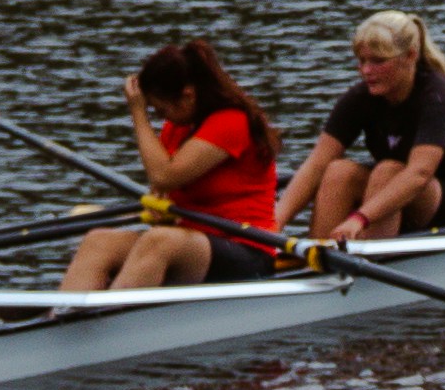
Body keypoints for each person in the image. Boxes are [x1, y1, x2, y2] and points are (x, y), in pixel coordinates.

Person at [61, 38, 284, 289]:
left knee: (160, 241)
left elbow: (164, 176)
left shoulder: (232, 123)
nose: (160, 117)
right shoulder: (177, 128)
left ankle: (109, 319)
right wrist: (160, 209)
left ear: (187, 96)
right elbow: (161, 189)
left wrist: (138, 113)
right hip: (192, 243)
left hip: (247, 249)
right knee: (98, 240)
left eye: (161, 110)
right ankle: (61, 319)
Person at [276, 10, 445, 245]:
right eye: (362, 61)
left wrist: (360, 218)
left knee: (388, 171)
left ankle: (372, 259)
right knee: (339, 172)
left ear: (410, 56)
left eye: (378, 61)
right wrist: (275, 221)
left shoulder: (441, 98)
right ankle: (320, 258)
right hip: (410, 198)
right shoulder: (361, 97)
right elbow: (316, 164)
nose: (366, 70)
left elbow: (419, 174)